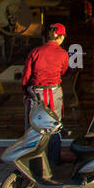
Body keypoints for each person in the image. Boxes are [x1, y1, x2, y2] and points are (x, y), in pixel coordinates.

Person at [22, 23, 70, 167]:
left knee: (34, 126)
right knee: (54, 125)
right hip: (54, 93)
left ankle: (33, 161)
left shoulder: (36, 52)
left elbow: (26, 76)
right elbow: (64, 72)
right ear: (60, 37)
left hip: (36, 94)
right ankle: (54, 161)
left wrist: (25, 92)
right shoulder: (62, 53)